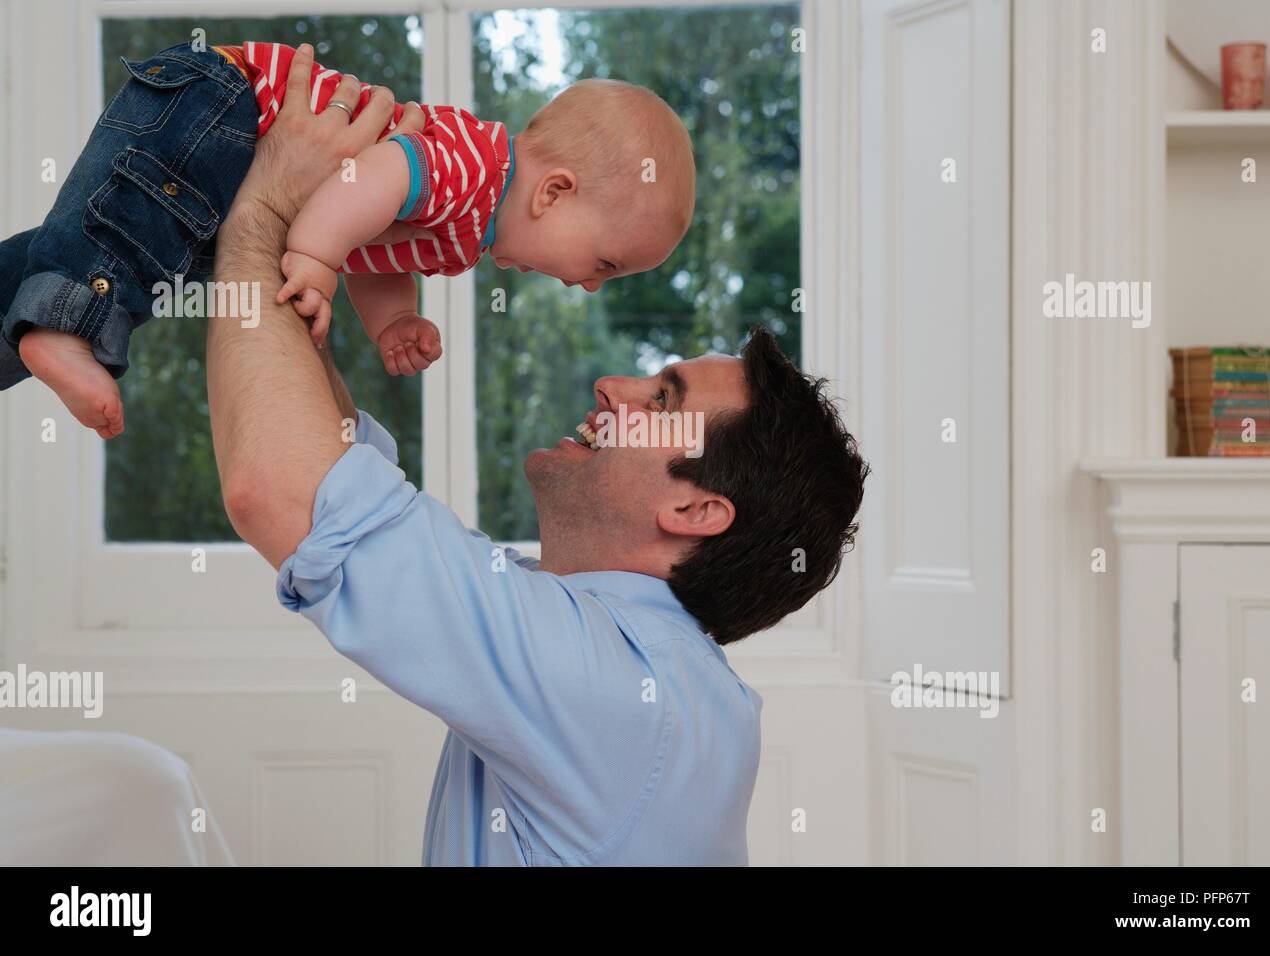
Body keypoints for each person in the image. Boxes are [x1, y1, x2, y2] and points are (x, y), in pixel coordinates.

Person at [208, 45, 868, 865]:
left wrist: (262, 207)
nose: (610, 386)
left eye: (662, 400)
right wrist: (307, 261)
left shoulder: (616, 689)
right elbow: (337, 473)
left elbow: (282, 489)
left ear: (696, 510)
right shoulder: (633, 666)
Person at [0, 40, 693, 436]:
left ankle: (38, 309)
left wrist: (391, 318)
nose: (593, 283)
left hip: (226, 158)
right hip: (226, 102)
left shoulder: (466, 233)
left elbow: (371, 240)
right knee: (125, 235)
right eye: (605, 262)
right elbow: (375, 176)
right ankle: (59, 329)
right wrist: (312, 257)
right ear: (555, 192)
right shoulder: (477, 166)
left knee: (124, 243)